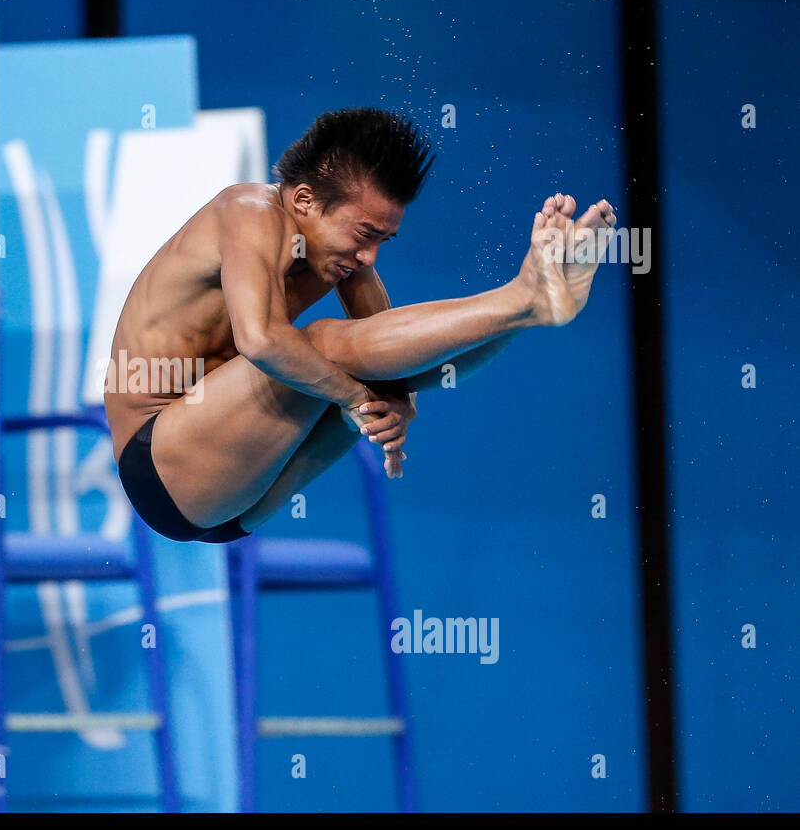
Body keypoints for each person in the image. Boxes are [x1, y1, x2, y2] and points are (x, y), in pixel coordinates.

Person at [104, 107, 616, 544]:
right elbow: (259, 340)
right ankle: (522, 298)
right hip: (161, 465)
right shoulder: (246, 211)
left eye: (382, 241)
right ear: (304, 200)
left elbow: (401, 364)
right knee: (321, 345)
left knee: (362, 368)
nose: (369, 256)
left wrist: (397, 406)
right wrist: (355, 399)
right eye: (364, 234)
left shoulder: (339, 253)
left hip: (242, 492)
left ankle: (530, 312)